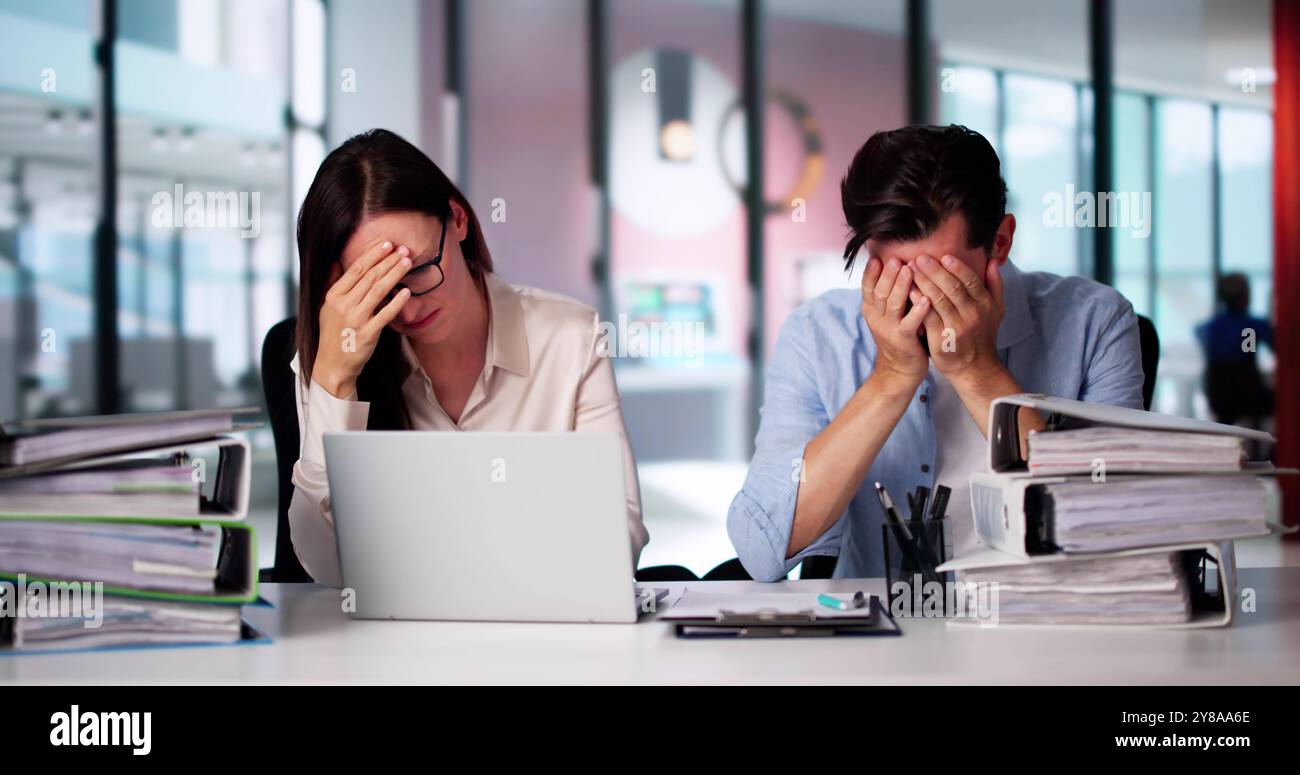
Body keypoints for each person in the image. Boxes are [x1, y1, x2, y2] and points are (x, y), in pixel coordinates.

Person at [727, 124, 1145, 582]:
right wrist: (890, 378)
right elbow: (763, 550)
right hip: (883, 632)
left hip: (1047, 619)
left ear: (1000, 242)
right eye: (893, 273)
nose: (918, 301)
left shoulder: (1095, 321)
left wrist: (976, 370)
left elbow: (1115, 529)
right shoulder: (817, 334)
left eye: (942, 278)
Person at [288, 129, 647, 586]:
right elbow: (326, 571)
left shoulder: (570, 338)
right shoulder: (331, 356)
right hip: (392, 646)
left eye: (418, 269)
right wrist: (334, 384)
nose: (409, 307)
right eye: (376, 290)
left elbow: (619, 539)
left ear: (457, 220)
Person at [1196, 272, 1275, 428]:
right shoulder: (1251, 327)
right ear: (1245, 296)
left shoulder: (1208, 328)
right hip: (1247, 391)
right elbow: (1249, 351)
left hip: (1217, 392)